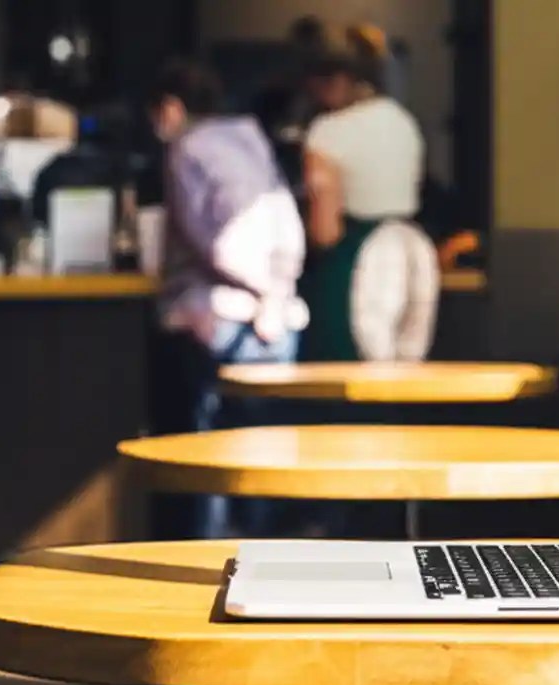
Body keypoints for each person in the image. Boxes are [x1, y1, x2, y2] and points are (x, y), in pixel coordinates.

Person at [149, 59, 307, 537]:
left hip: (216, 318)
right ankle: (266, 566)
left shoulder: (187, 151)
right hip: (276, 322)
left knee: (207, 461)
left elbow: (215, 242)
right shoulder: (252, 142)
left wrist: (259, 290)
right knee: (261, 455)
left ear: (171, 109)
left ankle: (205, 570)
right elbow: (288, 226)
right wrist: (276, 295)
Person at [299, 25, 439, 362]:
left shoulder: (327, 132)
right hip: (412, 252)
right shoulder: (403, 122)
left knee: (343, 380)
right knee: (402, 377)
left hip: (353, 260)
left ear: (337, 79)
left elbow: (324, 231)